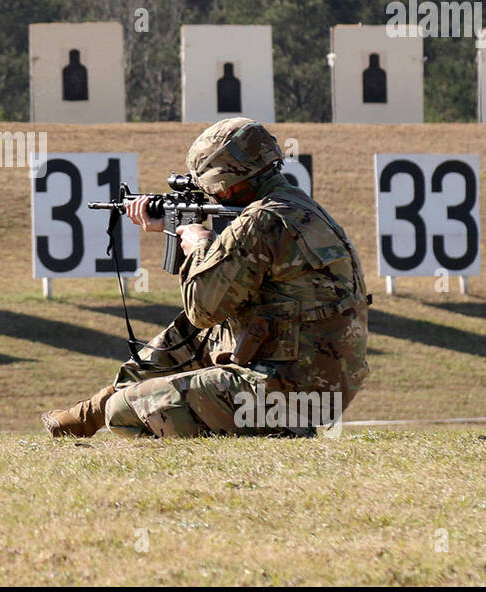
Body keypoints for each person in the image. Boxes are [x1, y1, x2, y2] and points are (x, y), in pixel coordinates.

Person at [41, 117, 370, 439]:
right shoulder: (299, 207)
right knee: (185, 338)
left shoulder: (259, 221)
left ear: (231, 178)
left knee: (122, 410)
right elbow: (207, 318)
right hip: (320, 386)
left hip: (289, 394)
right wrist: (175, 228)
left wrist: (199, 246)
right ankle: (88, 413)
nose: (210, 192)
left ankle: (111, 409)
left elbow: (201, 309)